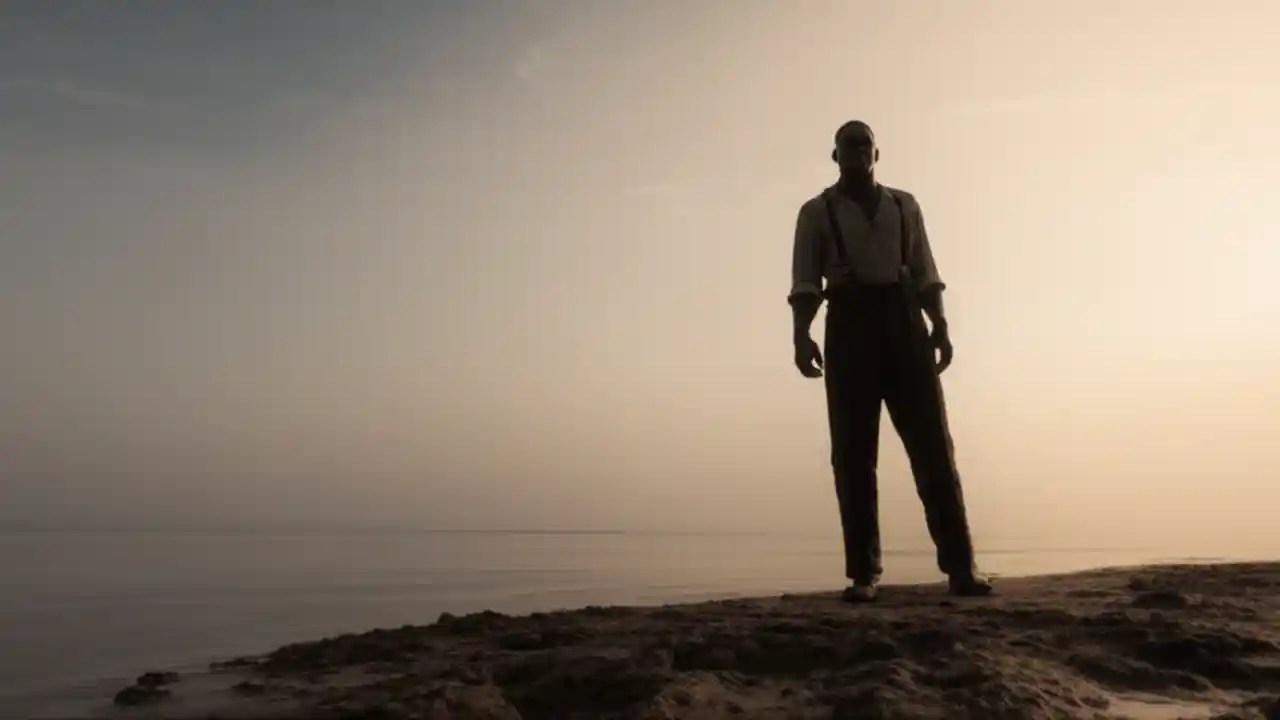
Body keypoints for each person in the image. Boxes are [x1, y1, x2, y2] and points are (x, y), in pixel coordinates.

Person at [788, 120, 993, 602]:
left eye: (865, 144)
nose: (857, 151)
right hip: (848, 328)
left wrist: (939, 324)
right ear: (834, 155)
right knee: (853, 455)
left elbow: (925, 270)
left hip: (904, 325)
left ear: (877, 154)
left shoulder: (904, 205)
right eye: (848, 145)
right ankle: (864, 574)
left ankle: (961, 568)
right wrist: (801, 335)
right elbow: (805, 281)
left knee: (934, 448)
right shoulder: (816, 212)